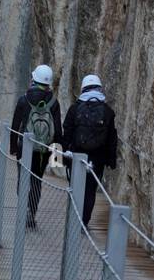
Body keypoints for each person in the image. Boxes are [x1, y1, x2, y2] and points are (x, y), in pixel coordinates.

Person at [9, 64, 63, 228]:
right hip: (43, 150)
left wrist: (13, 147)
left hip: (23, 147)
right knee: (36, 181)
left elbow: (15, 126)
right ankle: (31, 213)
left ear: (34, 79)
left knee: (23, 179)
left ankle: (24, 209)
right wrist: (56, 158)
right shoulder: (54, 102)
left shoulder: (23, 99)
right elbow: (58, 131)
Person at [62, 74, 118, 225]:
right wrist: (111, 160)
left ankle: (73, 219)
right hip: (97, 158)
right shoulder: (108, 112)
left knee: (76, 188)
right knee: (90, 191)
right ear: (99, 89)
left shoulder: (75, 109)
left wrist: (64, 157)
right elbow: (112, 138)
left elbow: (67, 131)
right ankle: (84, 222)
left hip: (76, 155)